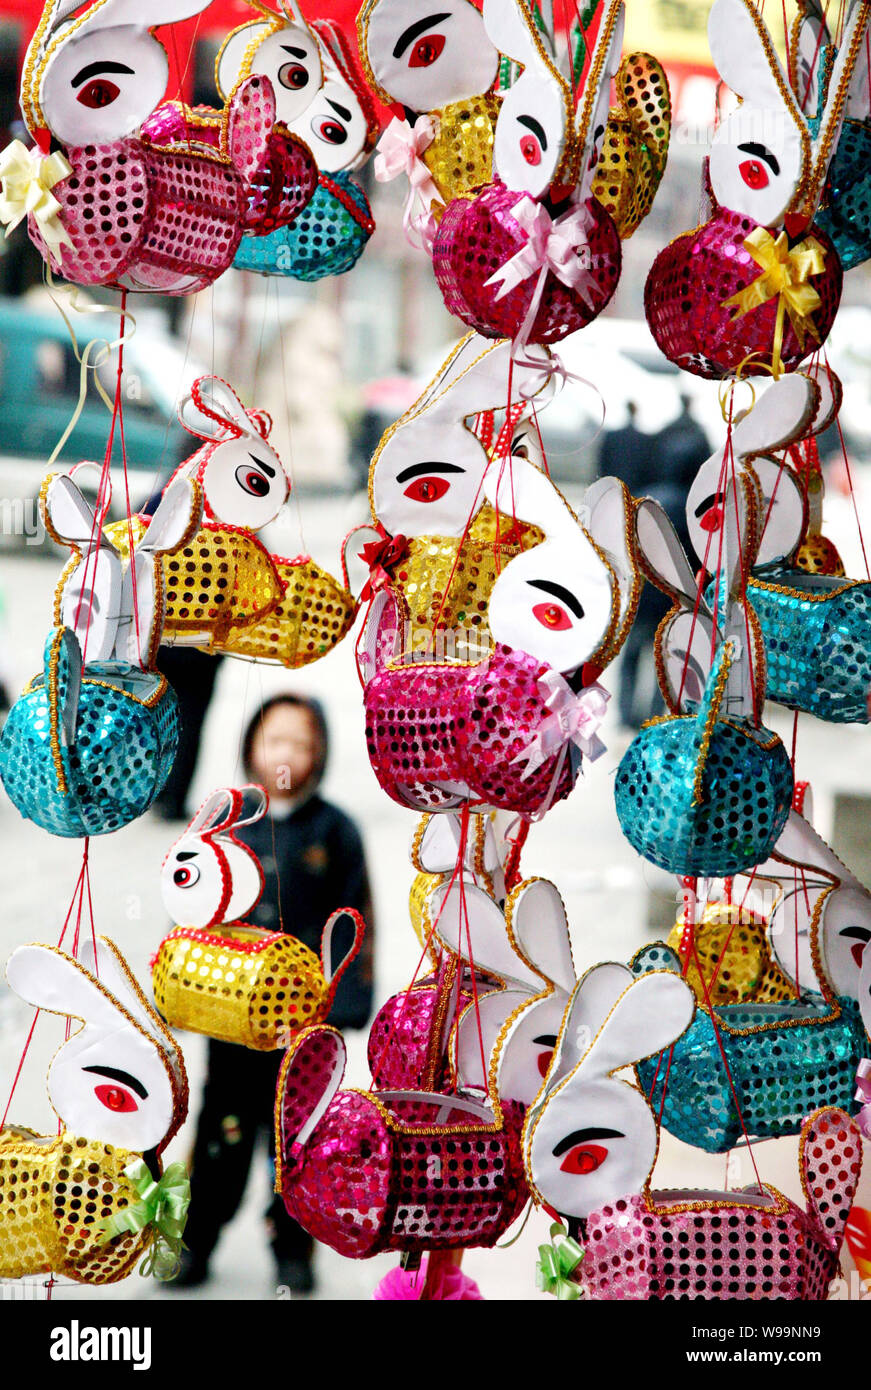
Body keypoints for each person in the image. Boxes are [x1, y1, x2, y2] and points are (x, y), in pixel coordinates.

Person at [171, 694, 375, 1294]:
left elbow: (356, 916)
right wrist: (181, 990)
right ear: (250, 744)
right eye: (273, 738)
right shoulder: (224, 823)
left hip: (303, 1030)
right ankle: (195, 1241)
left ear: (319, 754)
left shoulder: (335, 831)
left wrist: (347, 1002)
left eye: (299, 743)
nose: (285, 753)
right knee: (220, 1134)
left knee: (299, 1141)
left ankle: (293, 1249)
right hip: (232, 1025)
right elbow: (189, 905)